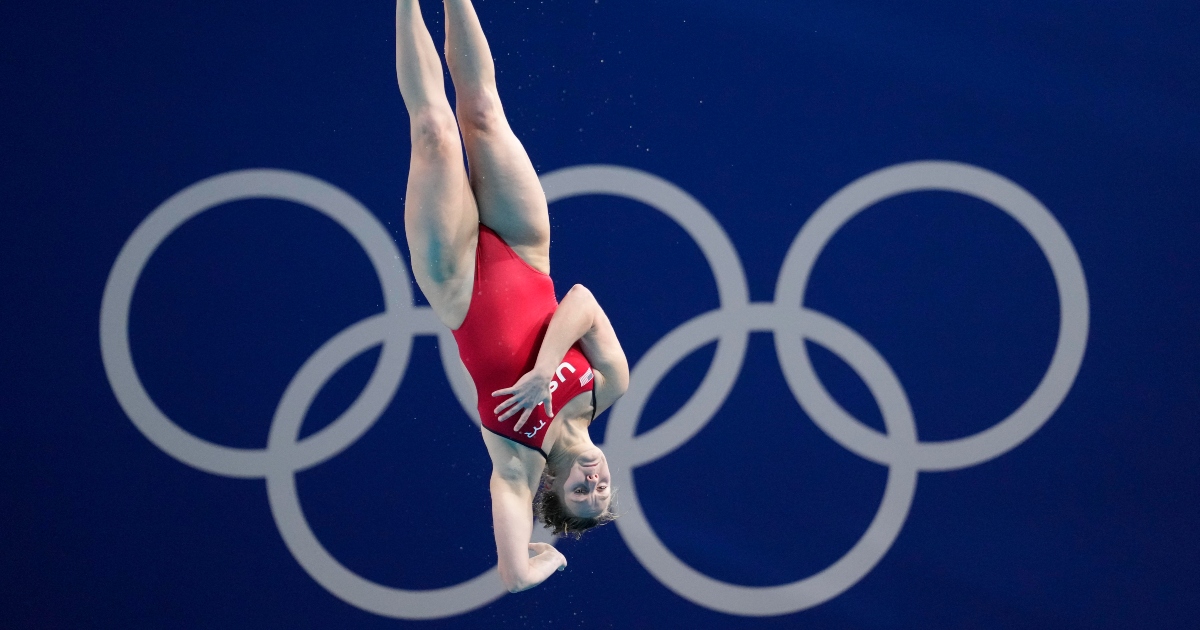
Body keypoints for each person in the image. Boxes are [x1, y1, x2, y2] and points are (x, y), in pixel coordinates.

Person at [395, 0, 630, 593]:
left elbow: (512, 574)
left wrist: (539, 563)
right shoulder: (610, 386)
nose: (594, 482)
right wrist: (546, 368)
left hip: (453, 281)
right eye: (603, 490)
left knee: (435, 132)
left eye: (582, 492)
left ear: (551, 489)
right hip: (526, 250)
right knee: (482, 112)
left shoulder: (517, 463)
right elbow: (581, 301)